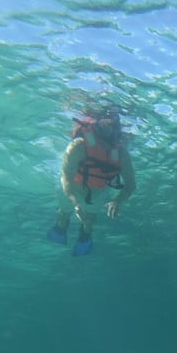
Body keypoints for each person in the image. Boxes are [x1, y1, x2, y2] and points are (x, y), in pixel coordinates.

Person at [46, 106, 136, 256]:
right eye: (105, 124)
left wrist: (117, 201)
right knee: (64, 213)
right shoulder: (79, 145)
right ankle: (60, 229)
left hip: (98, 192)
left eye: (113, 126)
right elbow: (66, 177)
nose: (109, 130)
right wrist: (75, 202)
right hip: (71, 187)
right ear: (97, 124)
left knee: (89, 220)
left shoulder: (121, 153)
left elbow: (131, 185)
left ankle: (85, 237)